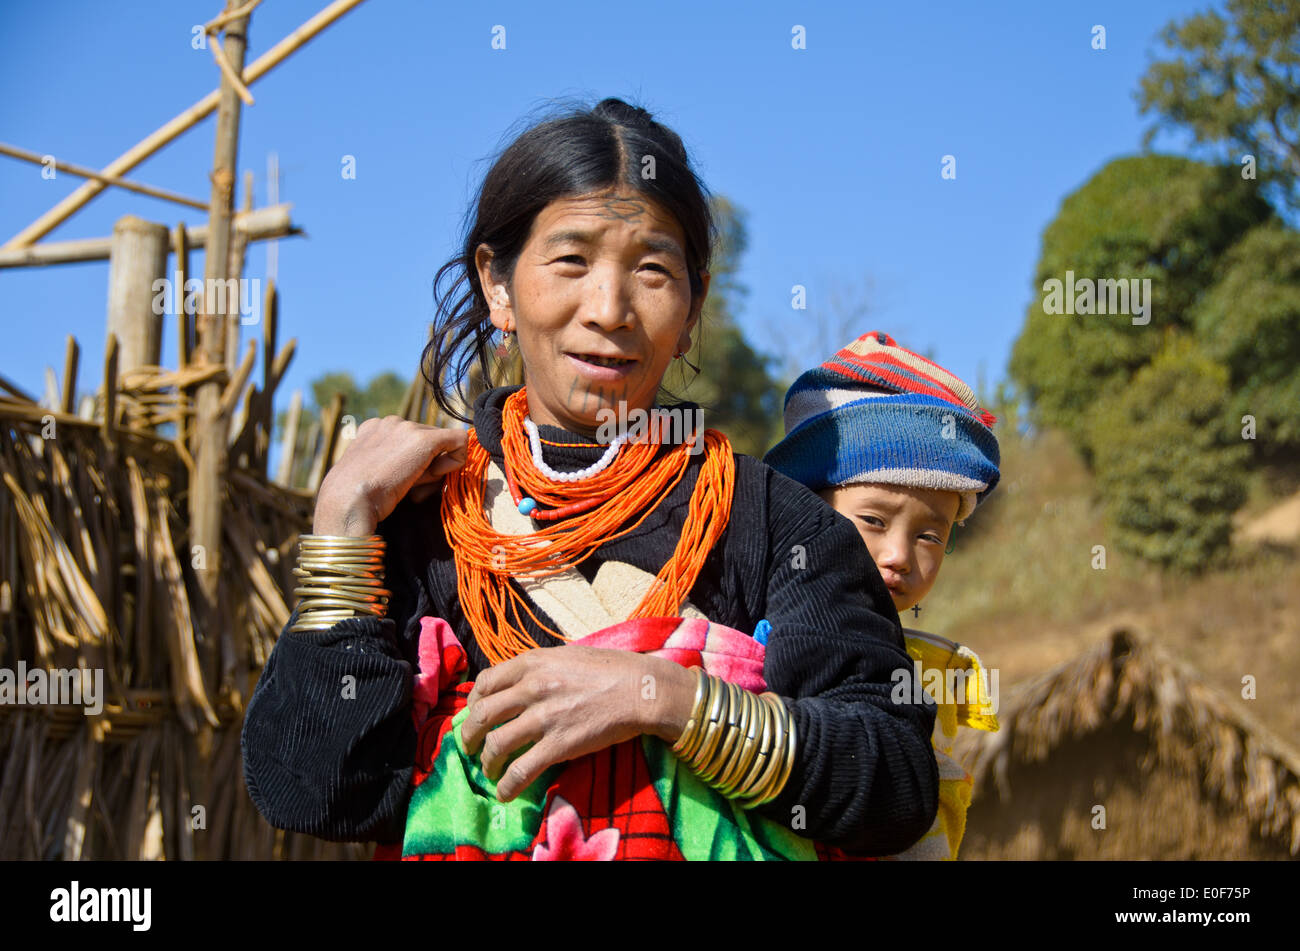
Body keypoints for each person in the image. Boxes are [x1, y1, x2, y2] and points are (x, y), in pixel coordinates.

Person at [240, 98, 939, 860]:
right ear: (498, 286)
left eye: (651, 270)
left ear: (693, 304)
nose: (609, 309)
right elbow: (314, 789)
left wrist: (665, 699)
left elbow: (896, 779)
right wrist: (342, 525)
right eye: (571, 260)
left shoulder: (771, 523)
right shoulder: (426, 522)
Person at [763, 330, 1002, 859]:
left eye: (929, 535)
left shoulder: (928, 673)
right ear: (803, 510)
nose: (898, 554)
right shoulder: (743, 628)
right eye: (872, 520)